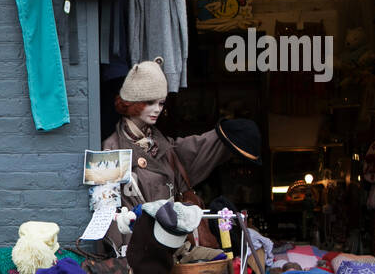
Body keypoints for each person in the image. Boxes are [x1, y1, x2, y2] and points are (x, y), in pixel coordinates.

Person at [103, 57, 259, 243]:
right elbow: (106, 211)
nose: (157, 110)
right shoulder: (112, 148)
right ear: (132, 102)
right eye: (150, 102)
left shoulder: (165, 146)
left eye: (161, 103)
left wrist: (227, 134)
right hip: (137, 250)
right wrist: (120, 255)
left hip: (172, 247)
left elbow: (195, 149)